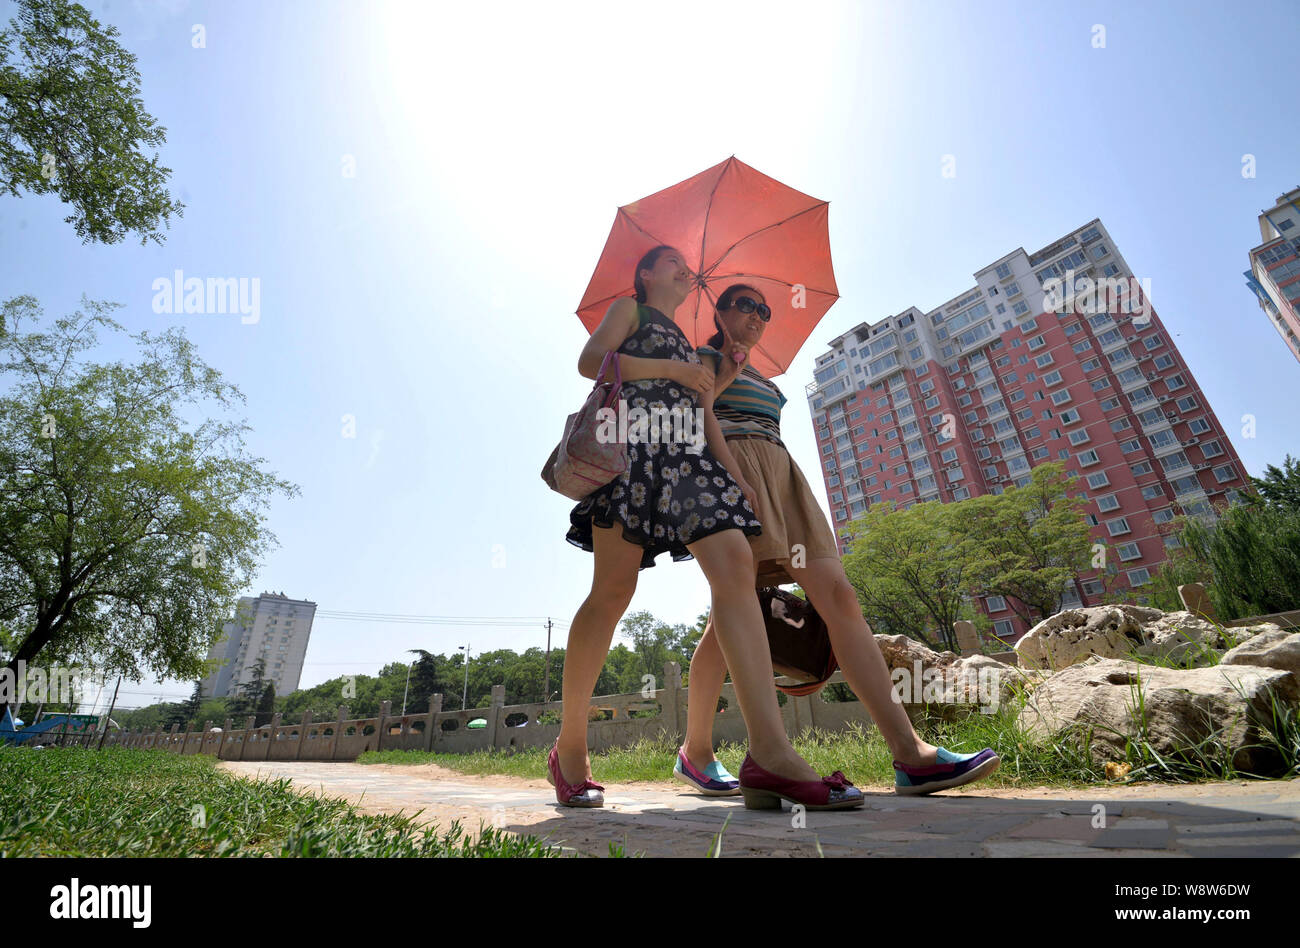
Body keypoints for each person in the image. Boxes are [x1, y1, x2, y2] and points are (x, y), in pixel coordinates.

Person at [556, 247, 863, 811]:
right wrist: (676, 369)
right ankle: (569, 747)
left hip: (691, 457)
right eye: (669, 260)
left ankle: (769, 754)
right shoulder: (632, 311)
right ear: (646, 272)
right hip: (636, 451)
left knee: (736, 569)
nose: (681, 268)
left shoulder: (690, 340)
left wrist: (735, 472)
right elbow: (590, 362)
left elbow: (700, 413)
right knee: (613, 593)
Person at [675, 283, 1001, 797]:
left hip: (782, 476)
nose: (758, 316)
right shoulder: (702, 357)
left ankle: (910, 754)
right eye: (745, 305)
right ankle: (700, 751)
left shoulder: (766, 375)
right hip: (727, 473)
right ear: (719, 310)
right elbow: (693, 416)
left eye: (765, 309)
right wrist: (726, 375)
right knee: (730, 613)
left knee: (838, 597)